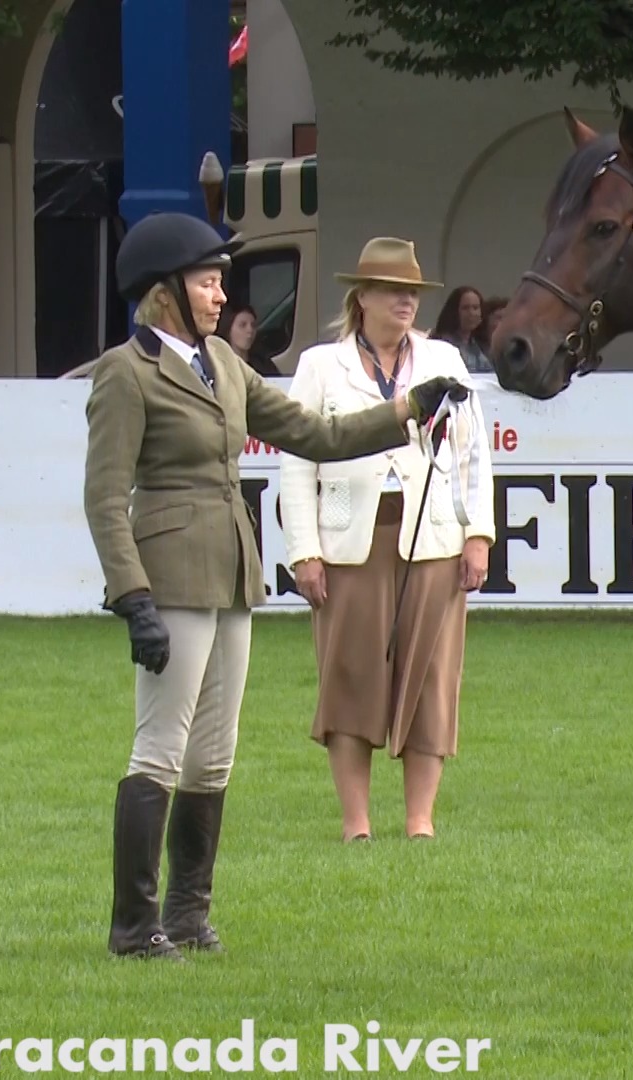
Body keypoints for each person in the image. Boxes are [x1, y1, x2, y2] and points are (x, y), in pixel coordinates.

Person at [83, 212, 469, 960]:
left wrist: (406, 411)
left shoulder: (223, 366)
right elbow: (105, 497)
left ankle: (190, 915)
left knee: (214, 755)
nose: (220, 292)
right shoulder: (126, 373)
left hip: (231, 572)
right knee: (161, 748)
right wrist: (132, 596)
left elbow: (315, 436)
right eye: (206, 280)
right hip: (170, 573)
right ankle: (134, 925)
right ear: (164, 291)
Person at [282, 239, 497, 842]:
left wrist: (478, 535)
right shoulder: (321, 366)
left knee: (431, 676)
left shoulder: (445, 360)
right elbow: (297, 463)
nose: (406, 301)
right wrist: (305, 550)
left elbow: (475, 454)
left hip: (434, 539)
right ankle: (356, 824)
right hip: (350, 542)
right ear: (363, 297)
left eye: (414, 292)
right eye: (394, 290)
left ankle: (420, 820)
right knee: (349, 677)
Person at [430, 285, 495, 374]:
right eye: (465, 308)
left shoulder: (483, 344)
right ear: (454, 311)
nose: (471, 313)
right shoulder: (441, 344)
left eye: (475, 308)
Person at [215, 303, 280, 376]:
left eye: (253, 325)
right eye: (242, 325)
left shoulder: (264, 364)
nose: (250, 330)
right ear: (228, 329)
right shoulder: (219, 366)